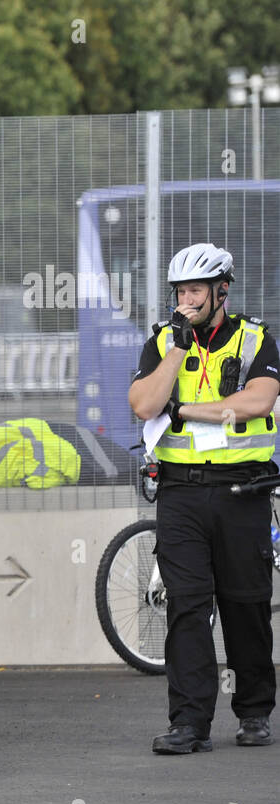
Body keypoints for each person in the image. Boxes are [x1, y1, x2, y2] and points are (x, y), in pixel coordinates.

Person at [128, 243, 278, 753]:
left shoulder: (256, 338)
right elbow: (145, 403)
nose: (187, 299)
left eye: (196, 290)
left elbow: (257, 400)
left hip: (243, 494)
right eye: (180, 291)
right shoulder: (164, 342)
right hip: (182, 494)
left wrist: (186, 410)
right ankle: (189, 723)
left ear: (222, 291)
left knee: (246, 606)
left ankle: (254, 712)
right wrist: (178, 349)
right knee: (186, 608)